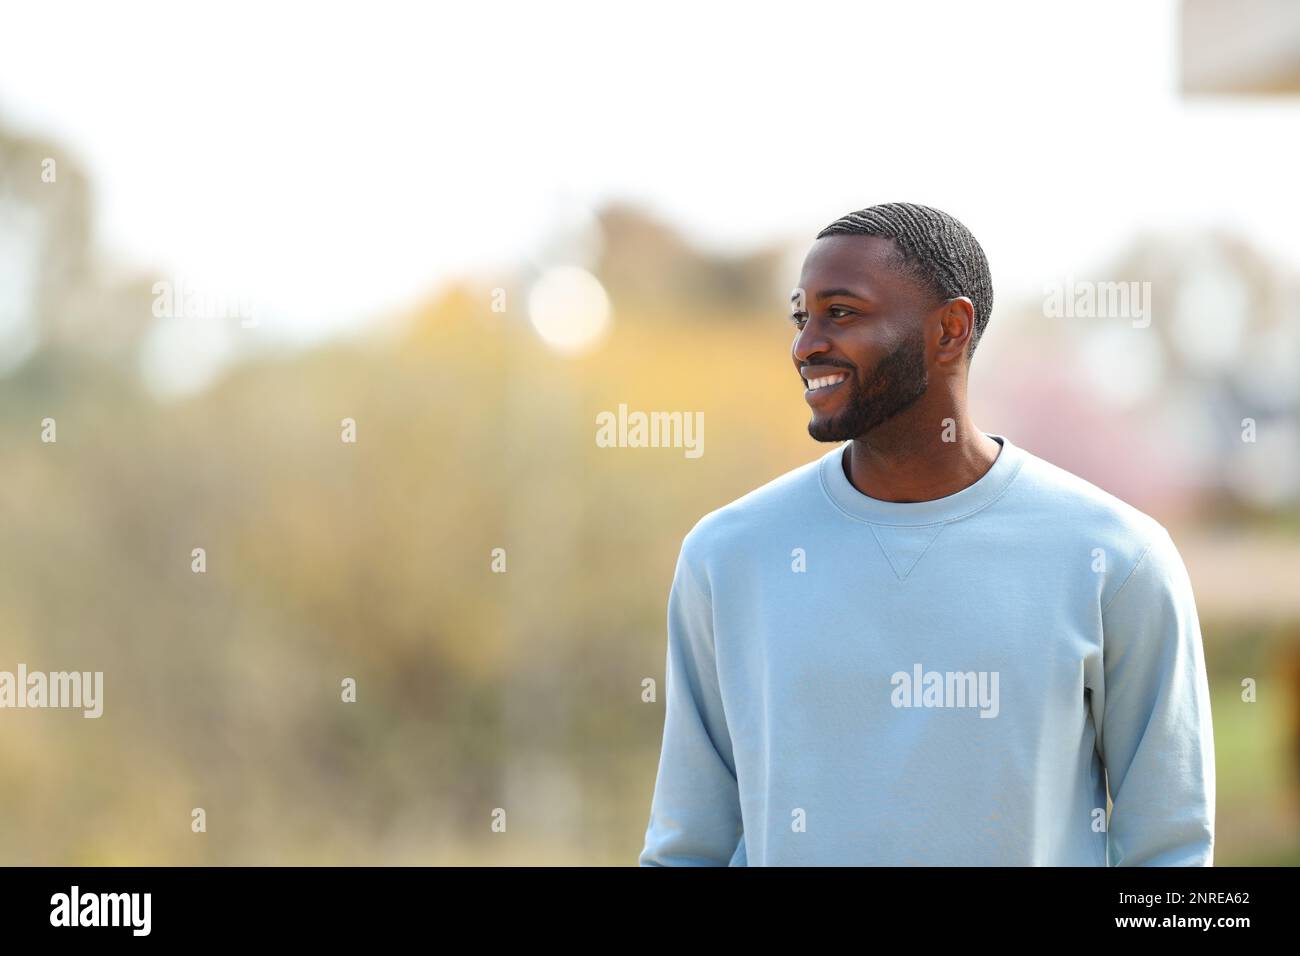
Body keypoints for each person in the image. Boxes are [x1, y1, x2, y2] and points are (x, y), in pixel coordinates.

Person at [638, 202, 1216, 866]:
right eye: (803, 316)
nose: (806, 344)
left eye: (842, 312)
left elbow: (1169, 853)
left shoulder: (1117, 559)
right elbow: (689, 846)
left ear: (950, 329)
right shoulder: (727, 556)